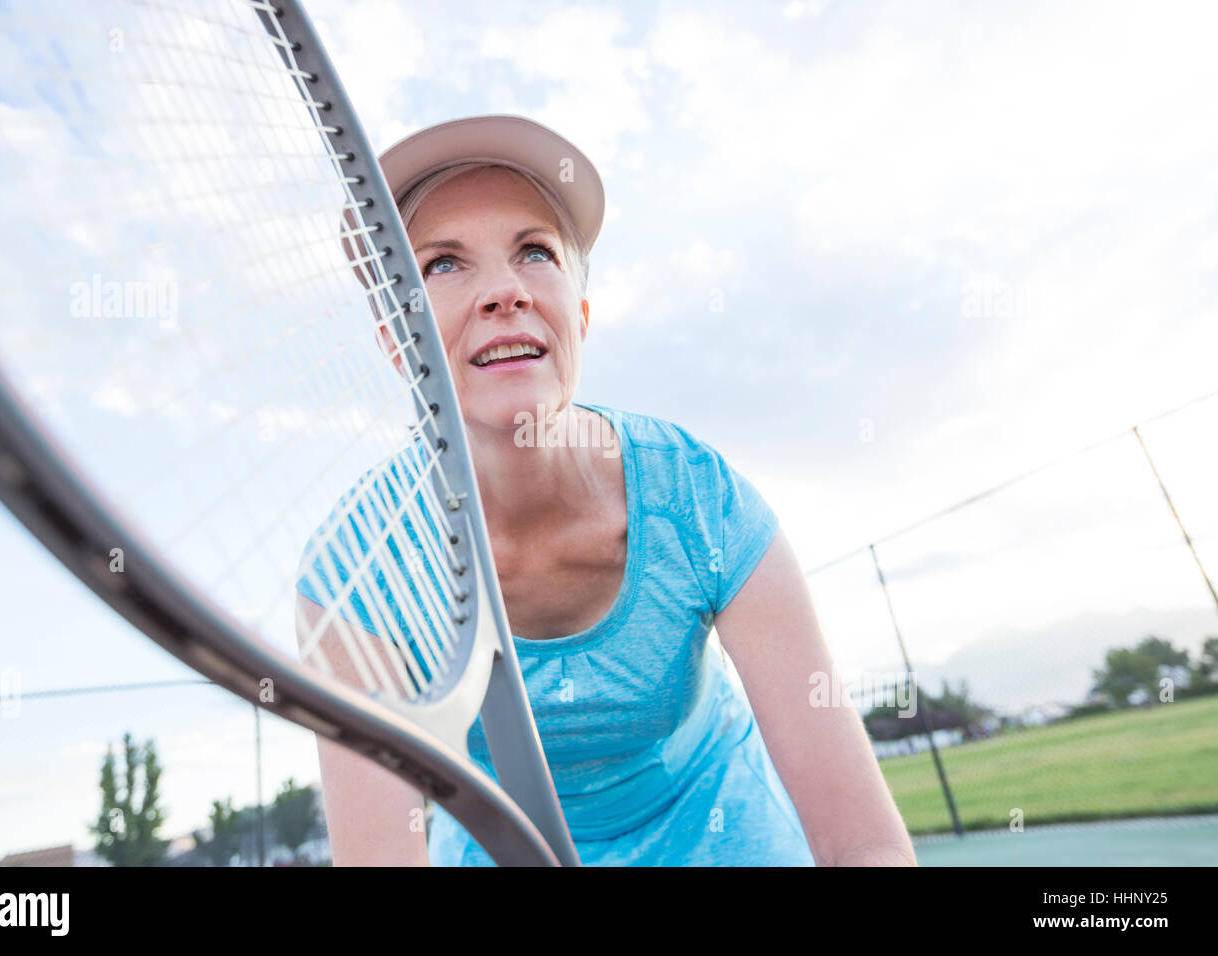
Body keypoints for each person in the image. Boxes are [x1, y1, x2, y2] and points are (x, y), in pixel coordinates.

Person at [297, 114, 916, 867]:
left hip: (724, 826)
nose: (504, 290)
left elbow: (864, 845)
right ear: (398, 344)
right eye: (442, 264)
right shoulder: (357, 571)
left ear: (579, 319)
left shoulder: (699, 497)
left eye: (534, 251)